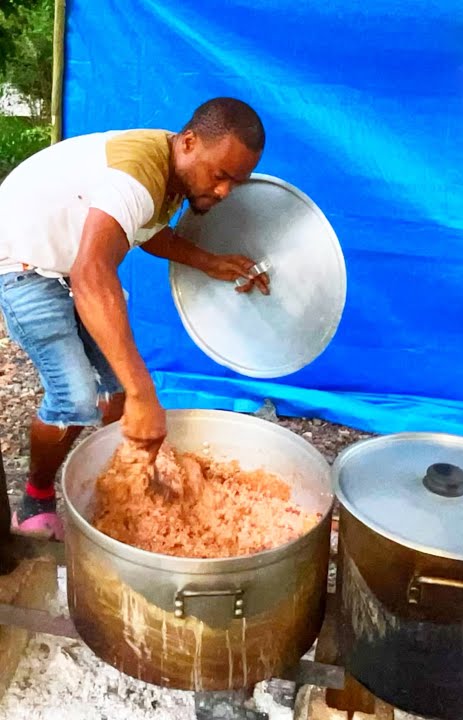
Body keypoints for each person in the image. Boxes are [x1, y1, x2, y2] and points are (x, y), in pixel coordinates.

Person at [0, 97, 270, 539]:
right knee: (76, 398)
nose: (224, 192)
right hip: (23, 262)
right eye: (220, 175)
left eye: (235, 183)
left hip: (67, 264)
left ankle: (129, 479)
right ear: (188, 142)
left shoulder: (170, 176)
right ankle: (36, 497)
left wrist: (208, 261)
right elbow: (92, 272)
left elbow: (145, 231)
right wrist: (146, 393)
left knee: (120, 390)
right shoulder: (139, 173)